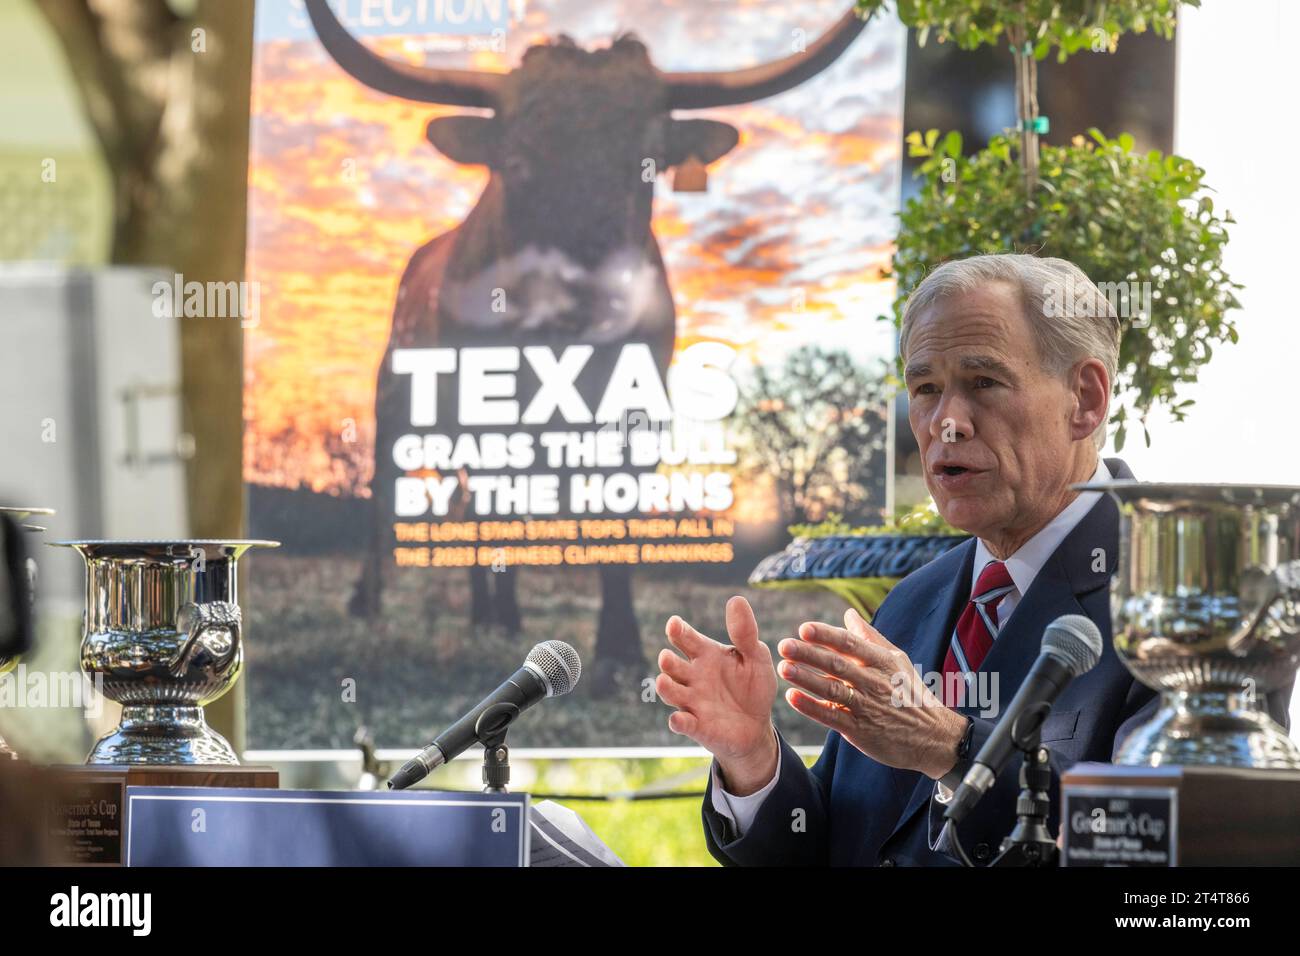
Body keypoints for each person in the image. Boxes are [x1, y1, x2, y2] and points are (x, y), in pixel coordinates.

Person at [656, 253, 1291, 866]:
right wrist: (752, 761)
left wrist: (952, 749)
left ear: (1087, 399)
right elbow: (834, 842)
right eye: (926, 389)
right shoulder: (910, 600)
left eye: (983, 382)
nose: (947, 423)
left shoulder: (1197, 607)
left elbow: (1167, 851)